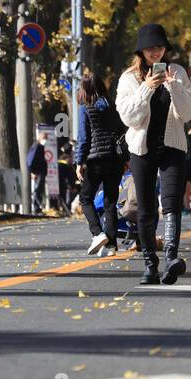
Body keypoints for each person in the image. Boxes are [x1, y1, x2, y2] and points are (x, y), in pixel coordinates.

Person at [115, 23, 191, 285]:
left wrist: (174, 87)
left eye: (160, 47)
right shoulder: (129, 78)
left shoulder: (178, 72)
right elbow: (130, 117)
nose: (156, 52)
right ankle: (150, 264)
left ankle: (171, 258)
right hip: (142, 148)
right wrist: (147, 87)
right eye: (151, 48)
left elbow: (187, 113)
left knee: (172, 202)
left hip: (173, 145)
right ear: (141, 50)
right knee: (146, 208)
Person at [75, 73, 126, 255]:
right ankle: (111, 245)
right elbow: (122, 130)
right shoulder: (112, 106)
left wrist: (79, 161)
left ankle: (97, 233)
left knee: (85, 198)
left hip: (95, 159)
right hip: (115, 159)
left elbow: (83, 138)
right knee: (110, 202)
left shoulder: (85, 107)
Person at [27, 132, 49, 213]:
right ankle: (36, 208)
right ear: (40, 138)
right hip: (38, 172)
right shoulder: (37, 147)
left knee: (39, 190)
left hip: (40, 172)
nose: (46, 140)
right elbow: (30, 160)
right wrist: (33, 172)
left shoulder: (40, 147)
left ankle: (38, 207)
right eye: (45, 138)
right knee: (37, 190)